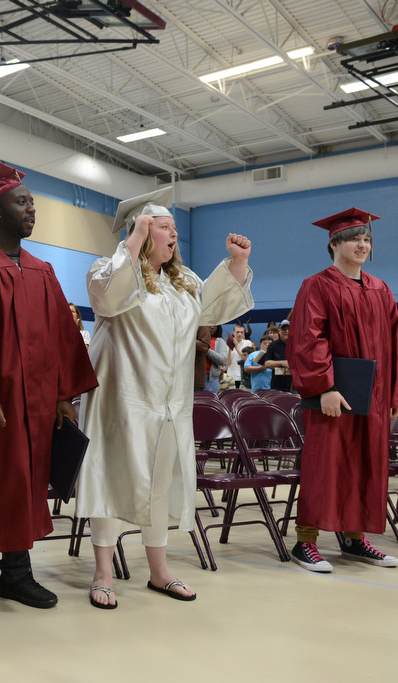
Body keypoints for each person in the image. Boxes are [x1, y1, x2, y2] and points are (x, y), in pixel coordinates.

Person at [0, 161, 97, 625]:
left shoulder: (42, 270)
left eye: (32, 203)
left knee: (27, 484)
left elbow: (60, 337)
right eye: (21, 202)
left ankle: (16, 572)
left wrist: (64, 393)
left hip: (38, 403)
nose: (31, 210)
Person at [77, 187, 253, 608]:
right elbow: (108, 295)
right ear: (141, 230)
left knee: (162, 481)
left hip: (171, 405)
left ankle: (159, 571)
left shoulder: (184, 280)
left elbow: (213, 305)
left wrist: (237, 263)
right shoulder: (110, 269)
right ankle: (103, 573)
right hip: (122, 401)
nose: (175, 233)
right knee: (109, 478)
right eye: (164, 226)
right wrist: (133, 240)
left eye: (175, 227)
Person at [287, 208, 398, 573]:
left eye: (367, 239)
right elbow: (309, 339)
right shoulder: (317, 285)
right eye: (355, 238)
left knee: (366, 465)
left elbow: (391, 344)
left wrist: (395, 393)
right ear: (334, 243)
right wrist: (325, 387)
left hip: (373, 395)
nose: (362, 244)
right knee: (326, 466)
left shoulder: (380, 289)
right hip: (332, 395)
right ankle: (305, 541)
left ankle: (355, 539)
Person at [263, 319, 293, 391]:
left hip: (295, 385)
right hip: (277, 386)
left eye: (289, 329)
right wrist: (282, 363)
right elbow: (267, 363)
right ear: (279, 331)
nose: (286, 331)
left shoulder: (298, 345)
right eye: (284, 329)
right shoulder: (273, 345)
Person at [224, 322, 247, 388]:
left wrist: (236, 347)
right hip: (231, 376)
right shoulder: (227, 345)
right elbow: (228, 363)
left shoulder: (247, 343)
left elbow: (245, 359)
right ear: (233, 333)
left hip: (242, 376)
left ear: (244, 333)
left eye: (241, 332)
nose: (239, 334)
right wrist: (229, 348)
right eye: (237, 332)